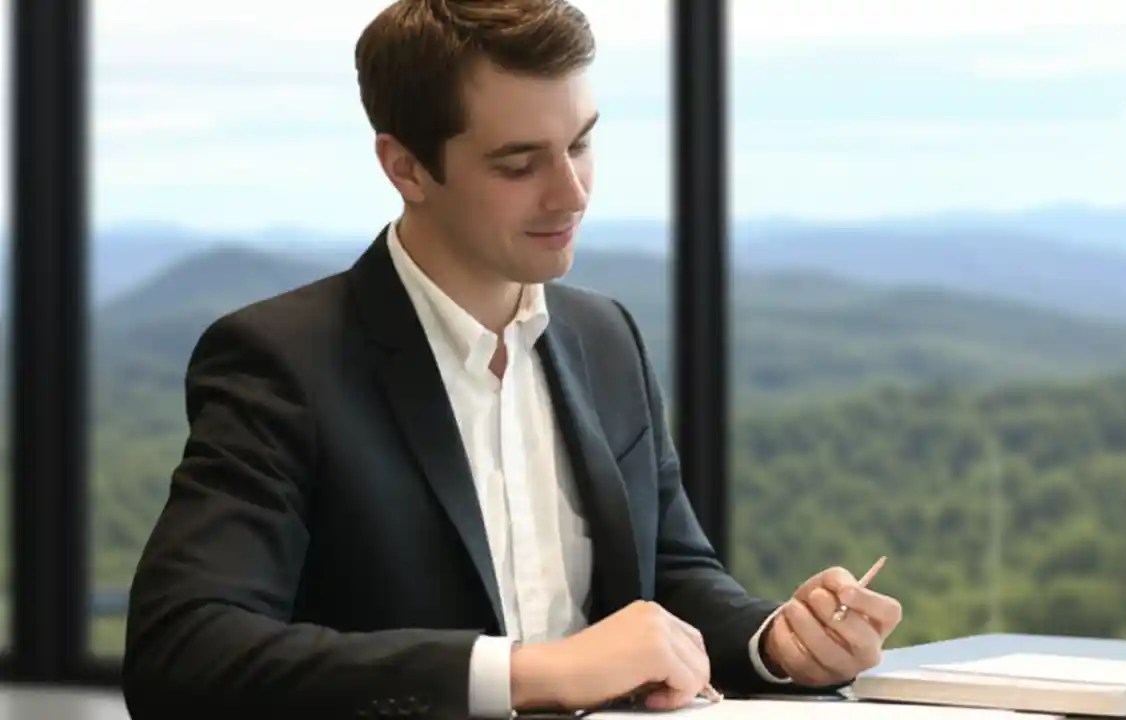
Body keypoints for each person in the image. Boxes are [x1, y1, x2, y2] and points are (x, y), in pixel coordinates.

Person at [121, 1, 903, 718]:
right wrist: (534, 673)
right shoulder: (283, 362)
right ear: (404, 167)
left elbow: (671, 577)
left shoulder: (606, 338)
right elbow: (183, 654)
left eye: (582, 143)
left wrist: (778, 644)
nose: (572, 195)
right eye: (519, 163)